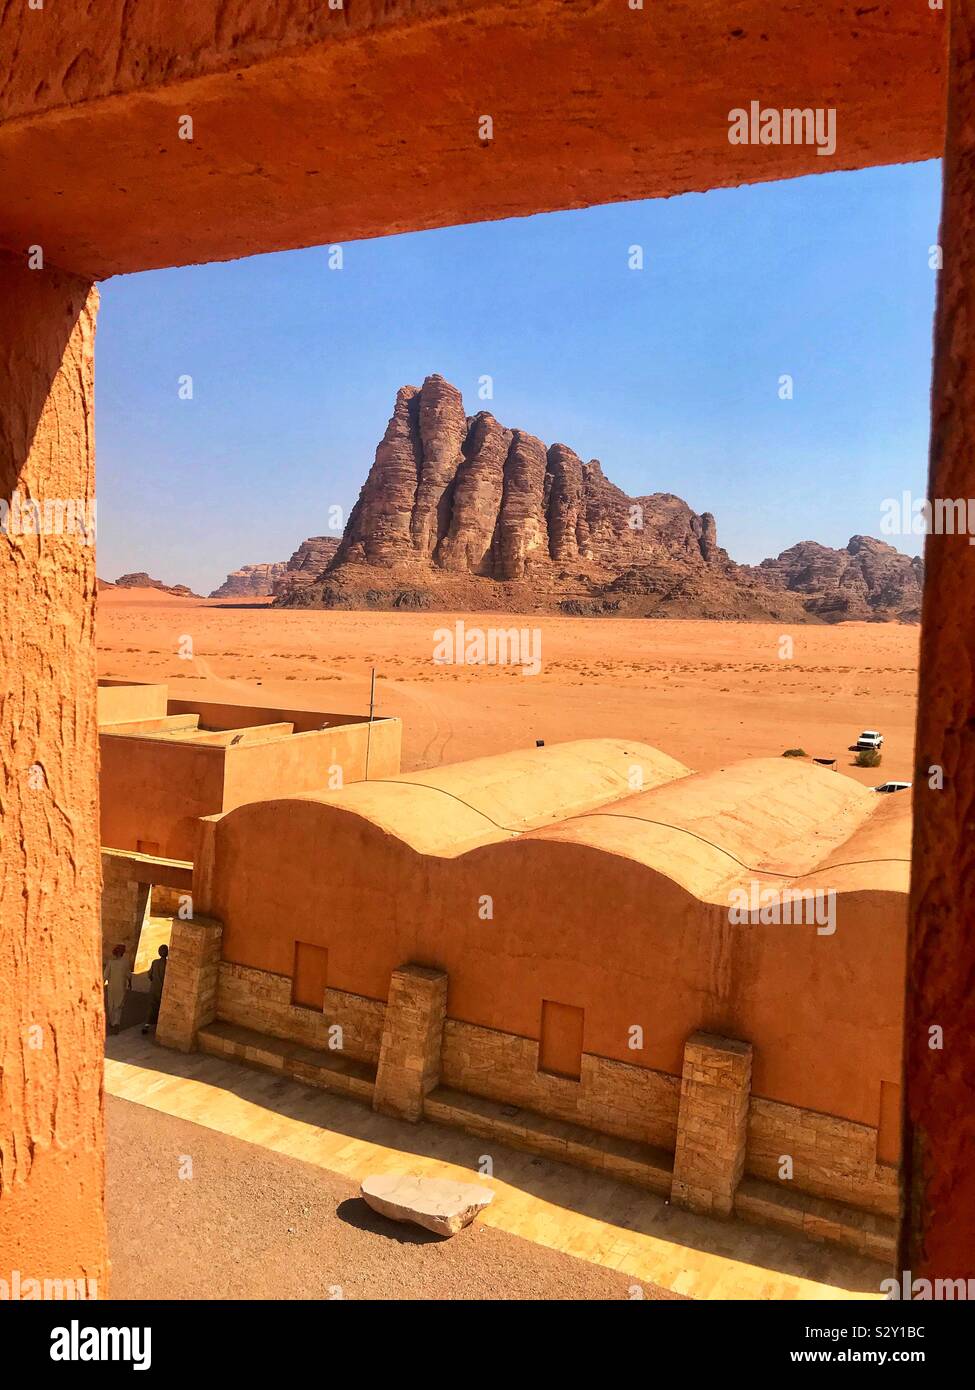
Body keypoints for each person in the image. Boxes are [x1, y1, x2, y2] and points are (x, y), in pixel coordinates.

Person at [142, 943, 169, 1035]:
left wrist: (154, 981)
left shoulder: (155, 962)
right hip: (163, 989)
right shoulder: (168, 964)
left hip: (154, 988)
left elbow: (149, 975)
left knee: (152, 1006)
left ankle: (147, 1024)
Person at [104, 944, 131, 1035]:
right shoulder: (125, 963)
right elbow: (128, 975)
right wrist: (130, 983)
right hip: (121, 987)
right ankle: (116, 1023)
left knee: (111, 1005)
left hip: (112, 987)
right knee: (119, 1006)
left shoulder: (110, 962)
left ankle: (112, 1022)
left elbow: (105, 975)